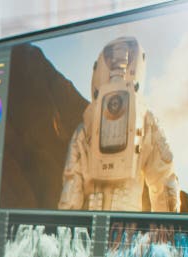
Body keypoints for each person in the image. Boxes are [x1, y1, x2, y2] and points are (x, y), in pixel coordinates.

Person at [58, 36, 180, 213]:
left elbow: (70, 194)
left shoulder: (85, 129)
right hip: (123, 230)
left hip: (95, 229)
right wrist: (165, 234)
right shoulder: (146, 121)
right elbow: (166, 185)